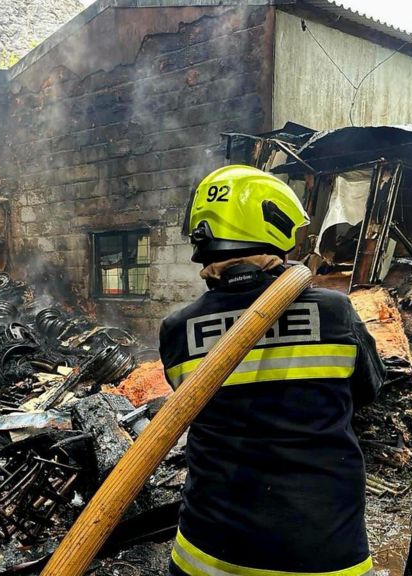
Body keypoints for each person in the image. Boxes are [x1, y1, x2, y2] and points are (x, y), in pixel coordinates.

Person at [159, 165, 386, 576]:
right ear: (275, 226)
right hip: (323, 552)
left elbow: (194, 411)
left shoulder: (177, 330)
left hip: (207, 554)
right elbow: (368, 391)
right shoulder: (333, 312)